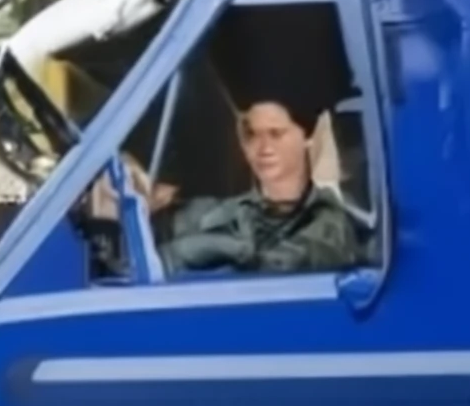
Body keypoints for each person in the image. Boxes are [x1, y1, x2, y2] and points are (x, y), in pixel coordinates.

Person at [154, 99, 364, 276]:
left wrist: (224, 250)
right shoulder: (228, 211)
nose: (263, 148)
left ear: (307, 137)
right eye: (253, 135)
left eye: (276, 134)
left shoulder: (330, 222)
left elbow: (282, 267)